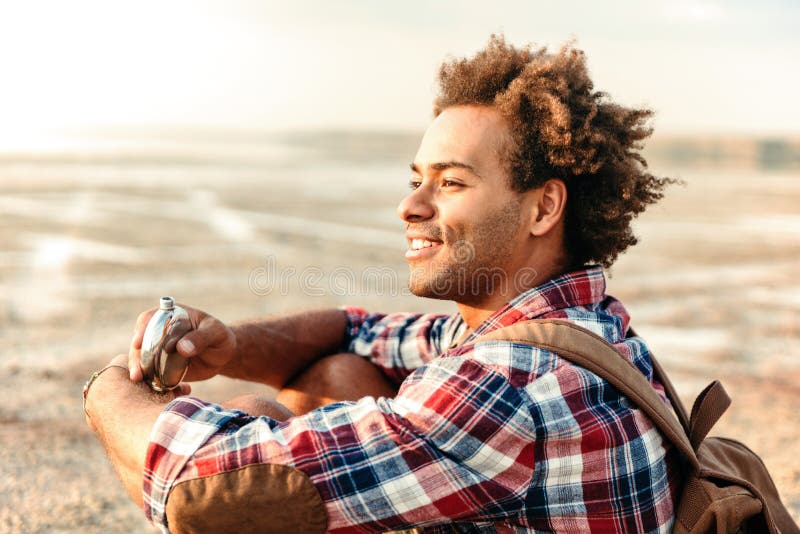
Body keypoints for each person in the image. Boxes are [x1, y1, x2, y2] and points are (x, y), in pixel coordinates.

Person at [84, 35, 680, 533]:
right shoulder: (581, 327)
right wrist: (231, 347)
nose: (409, 205)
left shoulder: (510, 389)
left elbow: (201, 485)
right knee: (338, 371)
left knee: (252, 428)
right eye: (418, 178)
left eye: (450, 183)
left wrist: (112, 384)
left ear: (543, 208)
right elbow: (357, 329)